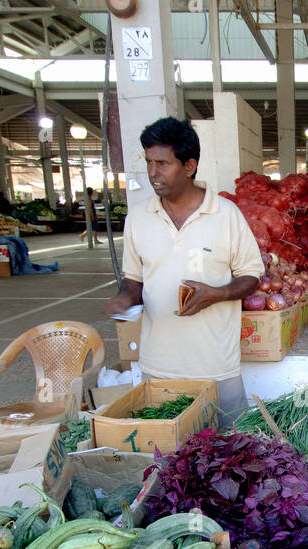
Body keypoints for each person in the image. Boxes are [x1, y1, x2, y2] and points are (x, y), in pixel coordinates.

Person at [106, 117, 262, 429]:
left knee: (233, 455)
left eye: (163, 163)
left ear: (189, 166)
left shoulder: (226, 215)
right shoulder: (139, 218)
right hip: (159, 368)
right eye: (149, 162)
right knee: (169, 463)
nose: (153, 173)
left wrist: (217, 294)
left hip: (217, 368)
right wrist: (124, 299)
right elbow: (134, 279)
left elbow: (251, 277)